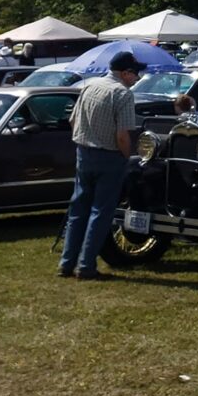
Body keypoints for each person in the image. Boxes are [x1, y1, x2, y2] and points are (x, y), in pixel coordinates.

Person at [58, 50, 140, 281]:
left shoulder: (90, 86)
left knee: (78, 209)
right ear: (125, 73)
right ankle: (86, 265)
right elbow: (122, 136)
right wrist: (127, 157)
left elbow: (73, 120)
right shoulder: (122, 93)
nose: (137, 78)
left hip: (84, 153)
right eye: (135, 73)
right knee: (100, 212)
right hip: (109, 157)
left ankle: (66, 263)